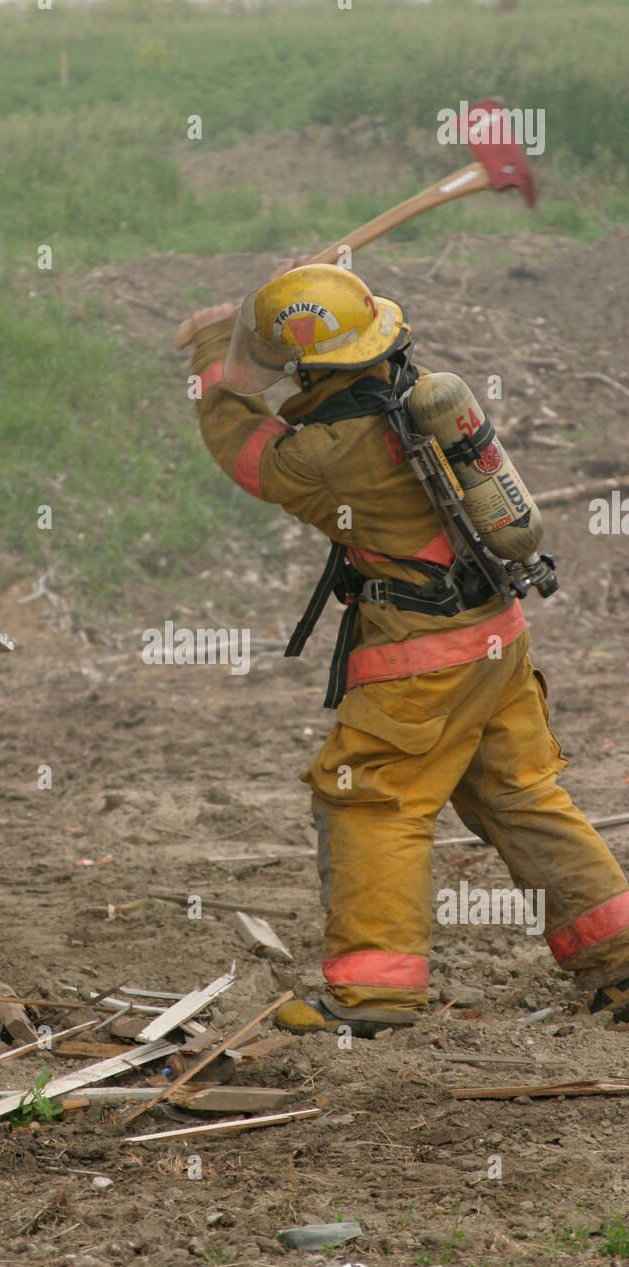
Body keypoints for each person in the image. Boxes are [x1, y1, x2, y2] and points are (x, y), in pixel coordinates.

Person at [187, 263, 629, 1037]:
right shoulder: (415, 397)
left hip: (422, 662)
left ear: (309, 369)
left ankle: (374, 997)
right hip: (496, 637)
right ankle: (619, 954)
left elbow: (246, 454)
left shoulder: (328, 453)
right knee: (520, 794)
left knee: (373, 804)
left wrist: (211, 365)